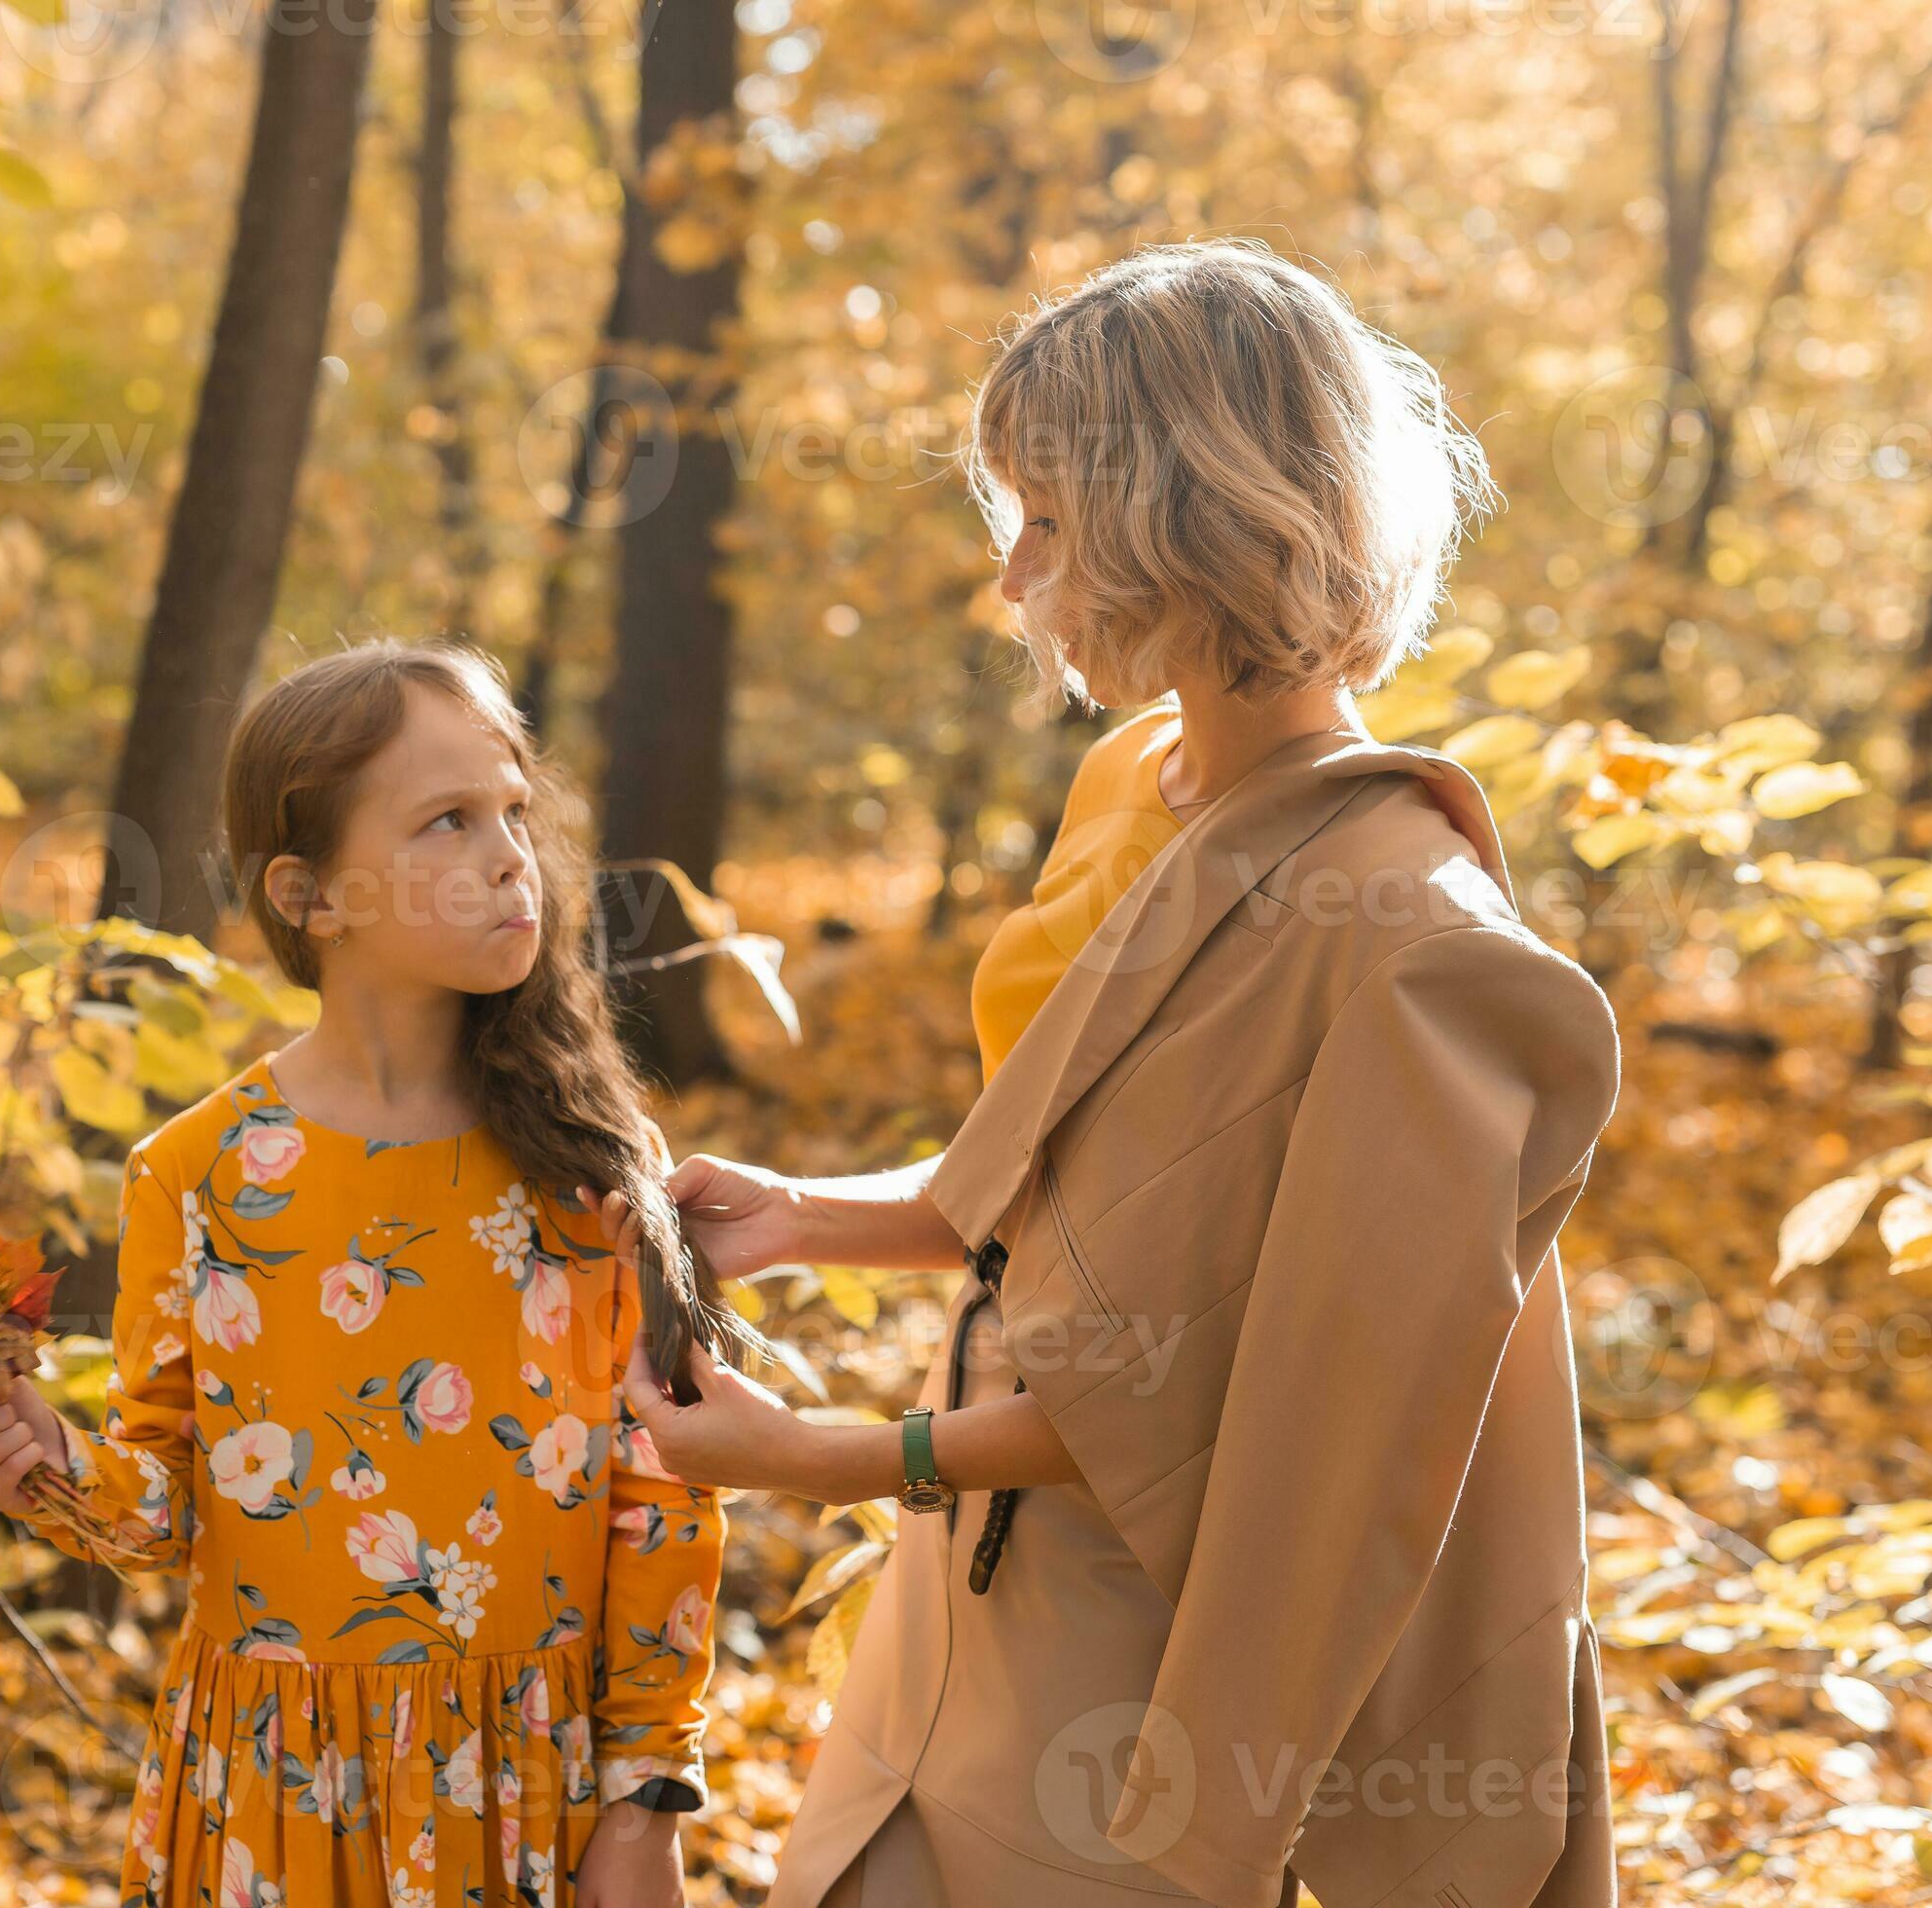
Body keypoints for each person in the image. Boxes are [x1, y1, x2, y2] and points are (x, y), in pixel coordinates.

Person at [605, 240, 1623, 1907]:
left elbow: (1277, 1412)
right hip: (957, 1613)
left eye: (1051, 521)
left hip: (1153, 1684)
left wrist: (837, 1459)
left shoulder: (1416, 935)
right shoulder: (1136, 783)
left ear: (1193, 515)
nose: (1014, 579)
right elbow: (1073, 1193)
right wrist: (803, 1219)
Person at [0, 640, 734, 1908]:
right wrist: (32, 1468)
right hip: (277, 1803)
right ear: (311, 897)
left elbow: (664, 1486)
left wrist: (650, 1794)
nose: (507, 855)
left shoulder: (588, 1154)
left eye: (514, 811)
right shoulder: (198, 1176)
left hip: (533, 1784)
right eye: (445, 823)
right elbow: (158, 1513)